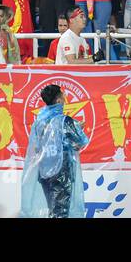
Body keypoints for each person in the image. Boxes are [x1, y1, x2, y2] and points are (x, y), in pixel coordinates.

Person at [20, 84, 90, 219]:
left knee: (53, 209)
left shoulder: (39, 121)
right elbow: (80, 142)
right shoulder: (65, 121)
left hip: (44, 171)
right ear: (58, 101)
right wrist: (78, 128)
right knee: (60, 212)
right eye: (63, 96)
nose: (65, 98)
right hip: (61, 171)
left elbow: (36, 147)